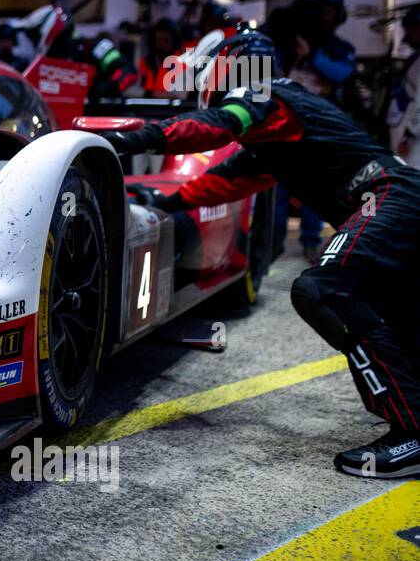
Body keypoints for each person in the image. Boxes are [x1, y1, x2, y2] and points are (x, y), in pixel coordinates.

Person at [98, 29, 420, 478]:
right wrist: (160, 205)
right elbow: (222, 181)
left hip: (387, 194)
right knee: (393, 312)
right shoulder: (276, 126)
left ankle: (413, 433)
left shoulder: (265, 94)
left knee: (321, 292)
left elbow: (213, 127)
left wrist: (133, 139)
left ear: (229, 64)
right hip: (401, 196)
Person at [263, 0, 358, 262]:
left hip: (320, 128)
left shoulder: (341, 48)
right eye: (322, 10)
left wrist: (313, 54)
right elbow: (271, 76)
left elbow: (340, 75)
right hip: (284, 124)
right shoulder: (287, 45)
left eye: (331, 11)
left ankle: (310, 243)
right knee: (278, 185)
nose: (326, 16)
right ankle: (273, 243)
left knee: (315, 189)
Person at [386, 7, 420, 169]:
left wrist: (409, 135)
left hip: (412, 143)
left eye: (411, 30)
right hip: (403, 131)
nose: (408, 35)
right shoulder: (415, 58)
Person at [137, 17, 181, 96]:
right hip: (145, 106)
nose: (162, 45)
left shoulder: (182, 63)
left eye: (166, 41)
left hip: (171, 108)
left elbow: (180, 95)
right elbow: (135, 90)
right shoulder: (146, 62)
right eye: (159, 40)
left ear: (174, 42)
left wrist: (150, 95)